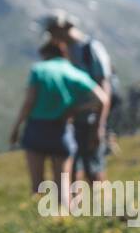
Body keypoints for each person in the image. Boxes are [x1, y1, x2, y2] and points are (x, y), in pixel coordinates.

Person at [10, 38, 110, 211]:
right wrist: (76, 109)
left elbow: (29, 101)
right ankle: (64, 227)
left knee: (38, 185)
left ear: (45, 54)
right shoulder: (74, 72)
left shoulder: (39, 70)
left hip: (36, 129)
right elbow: (102, 99)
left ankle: (41, 227)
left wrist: (16, 127)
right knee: (63, 185)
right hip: (61, 130)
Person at [43, 12, 112, 182]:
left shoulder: (91, 48)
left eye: (53, 32)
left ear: (62, 28)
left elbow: (104, 88)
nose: (52, 37)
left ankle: (101, 207)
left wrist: (99, 126)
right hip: (71, 122)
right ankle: (77, 208)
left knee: (94, 170)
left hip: (91, 120)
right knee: (73, 170)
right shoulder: (66, 51)